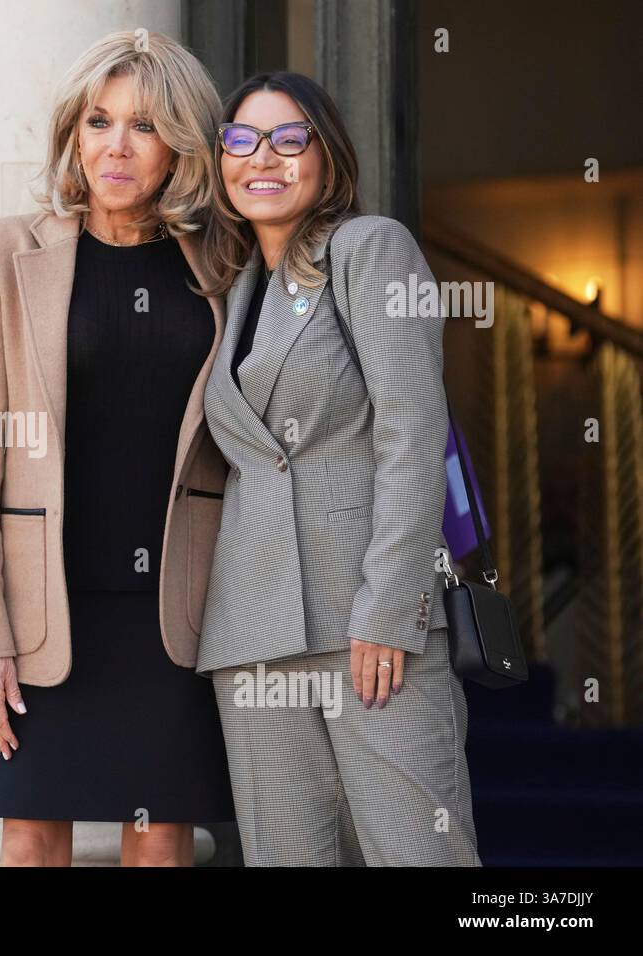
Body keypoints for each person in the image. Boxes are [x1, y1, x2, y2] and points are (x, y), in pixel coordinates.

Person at [0, 30, 233, 866]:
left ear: (180, 144)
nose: (116, 146)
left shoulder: (223, 260)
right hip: (45, 607)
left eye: (144, 127)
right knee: (32, 833)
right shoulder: (2, 254)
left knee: (163, 836)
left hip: (177, 602)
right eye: (99, 121)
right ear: (74, 131)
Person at [196, 71, 480, 865]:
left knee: (419, 853)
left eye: (291, 140)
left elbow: (412, 434)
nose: (265, 158)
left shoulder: (369, 247)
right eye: (242, 141)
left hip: (367, 621)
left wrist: (390, 607)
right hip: (251, 632)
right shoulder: (234, 286)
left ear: (327, 156)